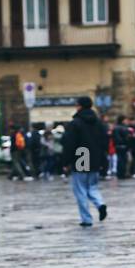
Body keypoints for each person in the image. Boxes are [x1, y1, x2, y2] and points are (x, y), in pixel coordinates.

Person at [59, 95, 108, 227]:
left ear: (79, 106)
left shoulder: (75, 123)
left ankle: (86, 219)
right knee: (92, 186)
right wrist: (104, 160)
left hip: (81, 156)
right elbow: (105, 143)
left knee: (80, 189)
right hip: (96, 158)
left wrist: (65, 162)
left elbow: (69, 144)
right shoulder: (99, 123)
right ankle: (100, 203)